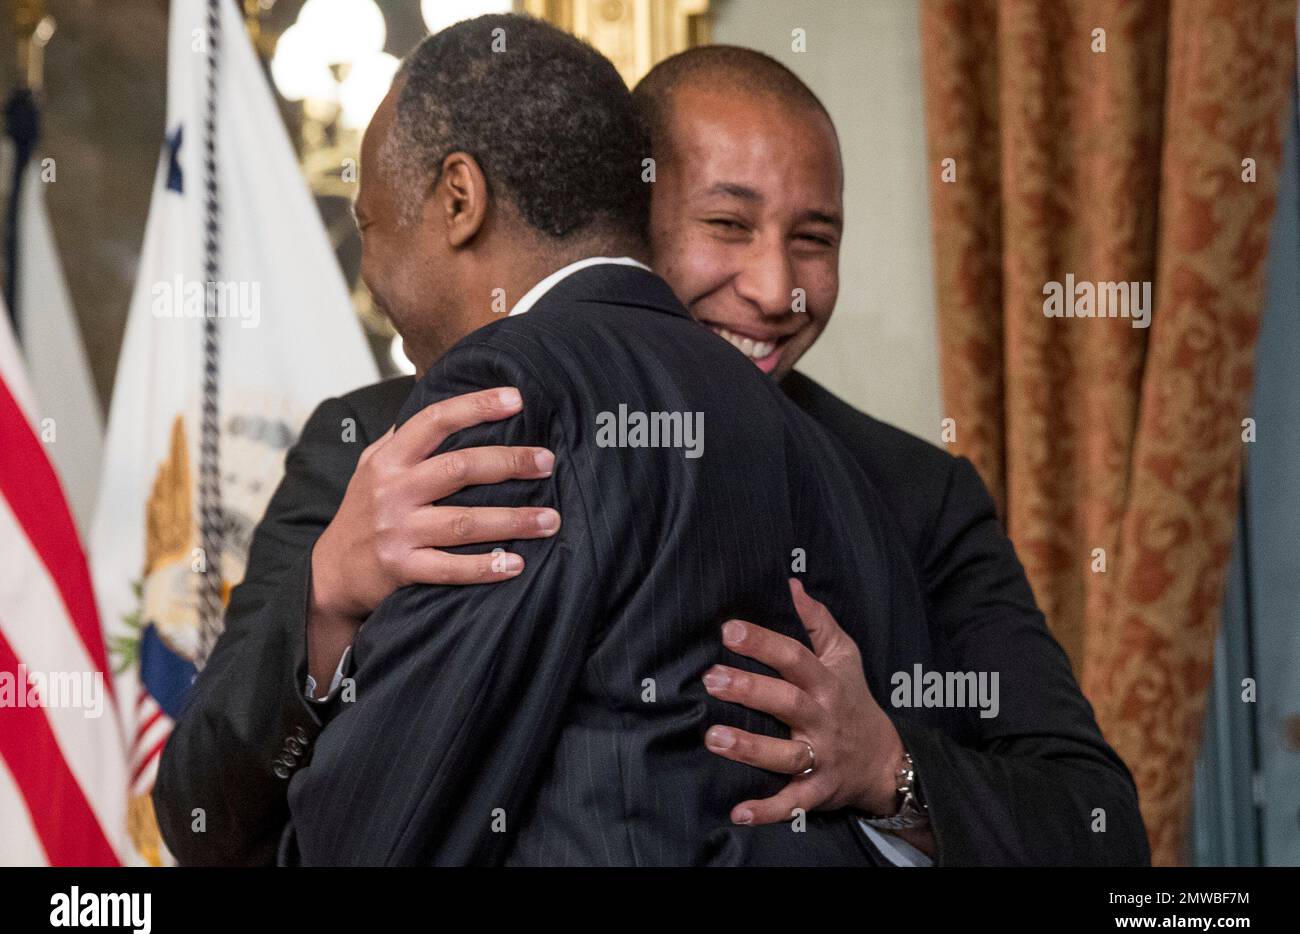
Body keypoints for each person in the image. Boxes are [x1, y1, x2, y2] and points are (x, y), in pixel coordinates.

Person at [154, 34, 1149, 866]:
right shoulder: (377, 445)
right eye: (725, 224)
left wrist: (894, 768)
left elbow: (1099, 823)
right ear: (625, 218)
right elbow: (204, 814)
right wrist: (327, 597)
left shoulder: (909, 491)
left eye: (814, 238)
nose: (774, 287)